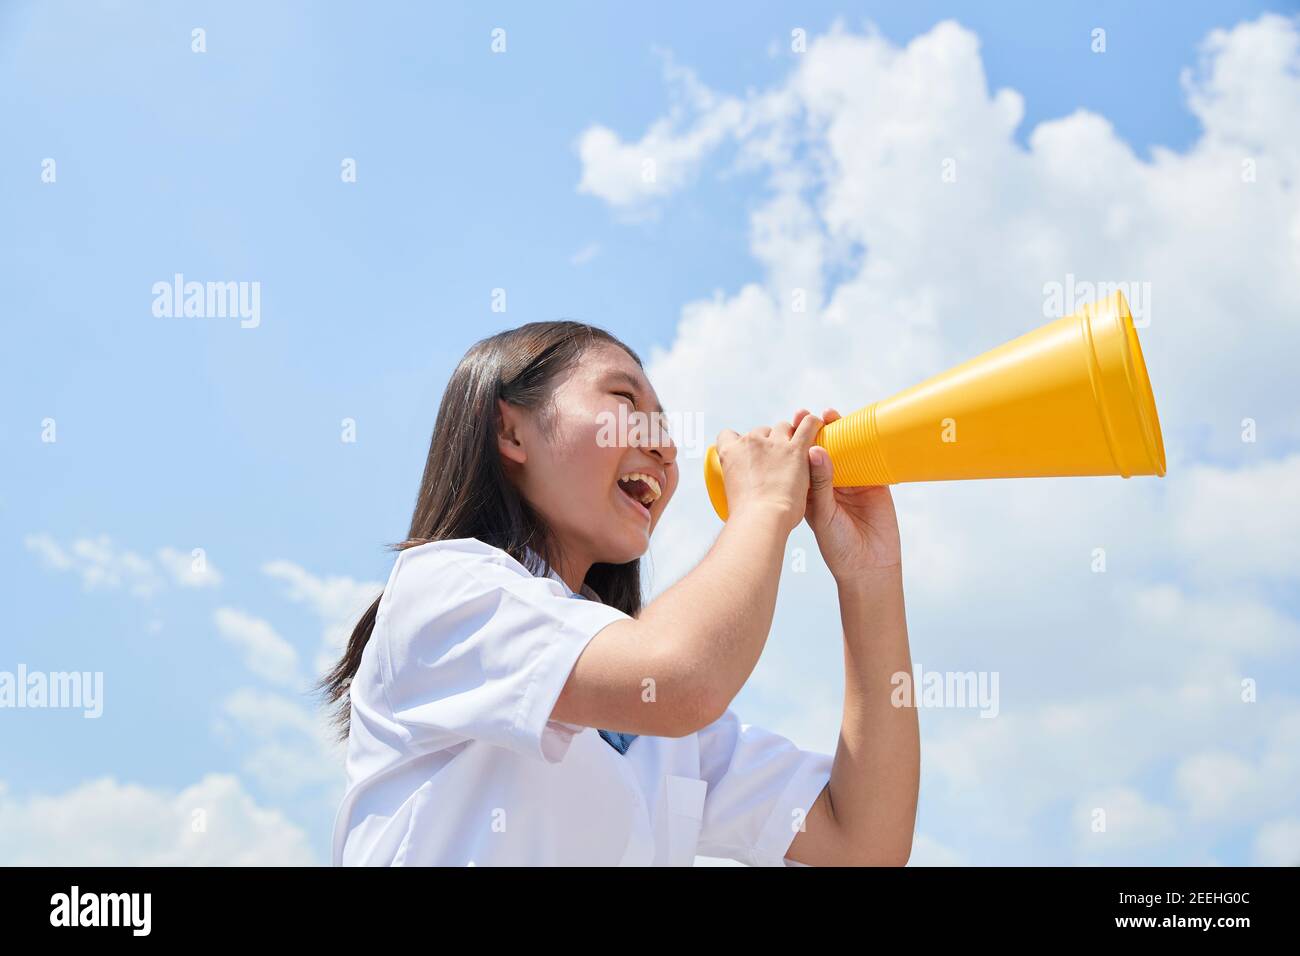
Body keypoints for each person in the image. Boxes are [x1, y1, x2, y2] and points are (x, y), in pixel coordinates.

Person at [321, 320, 919, 866]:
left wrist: (869, 574)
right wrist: (763, 506)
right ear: (511, 430)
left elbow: (864, 843)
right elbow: (682, 676)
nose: (664, 447)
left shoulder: (658, 717)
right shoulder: (445, 587)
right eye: (625, 401)